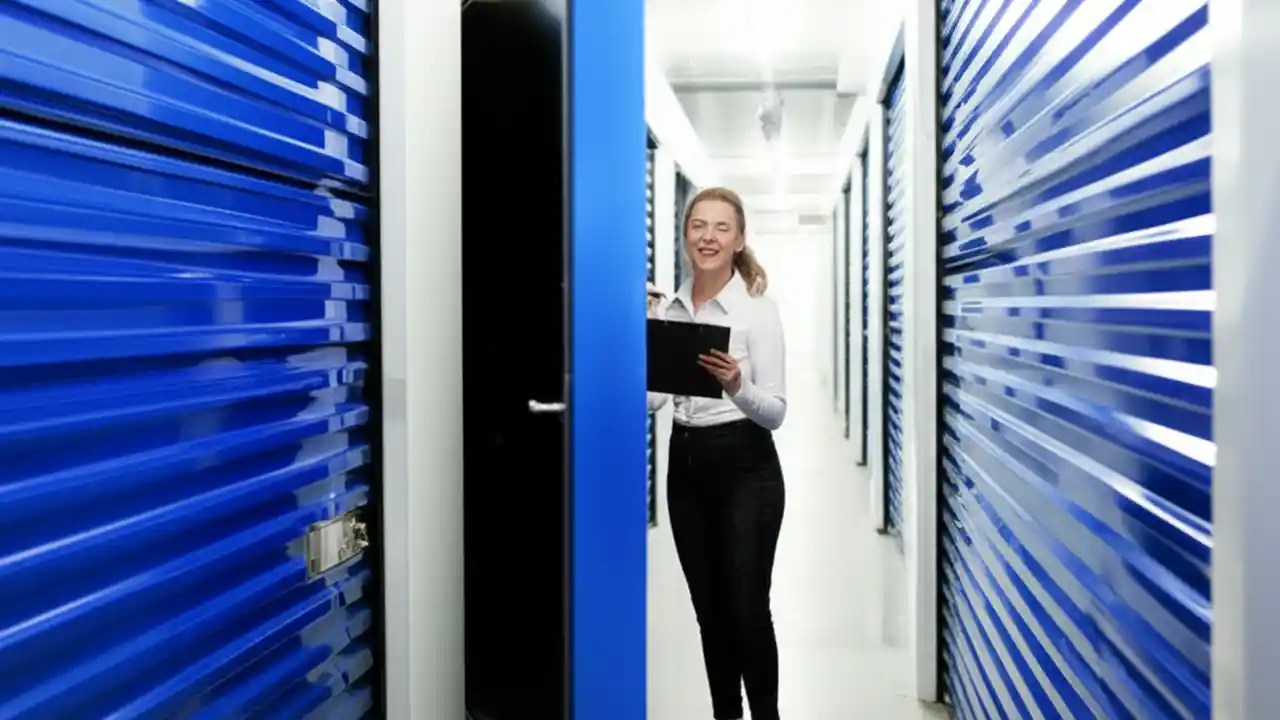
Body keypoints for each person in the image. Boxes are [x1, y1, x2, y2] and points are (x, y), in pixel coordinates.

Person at [648, 187, 786, 720]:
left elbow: (774, 411)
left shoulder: (757, 312)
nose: (707, 236)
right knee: (710, 613)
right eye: (697, 226)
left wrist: (736, 385)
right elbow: (655, 400)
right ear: (685, 236)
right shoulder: (671, 307)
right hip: (685, 468)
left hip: (746, 467)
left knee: (748, 609)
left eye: (721, 227)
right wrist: (645, 334)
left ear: (740, 239)